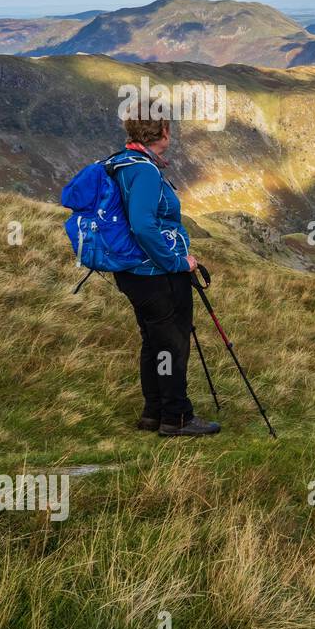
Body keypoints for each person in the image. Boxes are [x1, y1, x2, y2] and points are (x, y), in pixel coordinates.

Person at [107, 115, 220, 436]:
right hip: (155, 274)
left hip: (136, 273)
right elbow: (143, 224)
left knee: (154, 342)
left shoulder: (126, 163)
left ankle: (153, 413)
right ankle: (177, 417)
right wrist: (176, 262)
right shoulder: (143, 170)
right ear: (163, 132)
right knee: (171, 344)